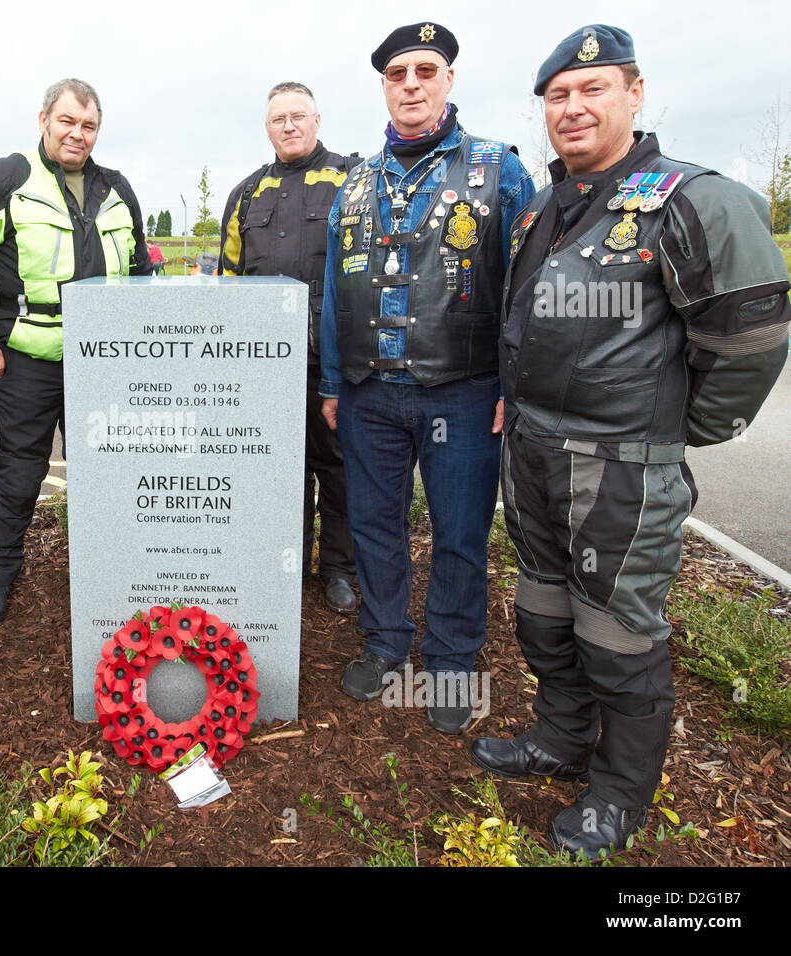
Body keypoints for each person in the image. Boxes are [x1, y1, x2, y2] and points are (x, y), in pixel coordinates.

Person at [470, 24, 789, 857]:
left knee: (617, 635)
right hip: (537, 455)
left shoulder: (693, 199)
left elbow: (750, 339)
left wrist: (675, 430)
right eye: (557, 96)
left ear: (635, 93)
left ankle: (619, 794)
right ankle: (559, 741)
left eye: (592, 89)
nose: (572, 108)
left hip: (621, 473)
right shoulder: (544, 205)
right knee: (543, 614)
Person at [319, 22, 535, 732]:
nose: (410, 84)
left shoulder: (497, 169)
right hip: (366, 393)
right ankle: (385, 639)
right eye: (397, 74)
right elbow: (332, 291)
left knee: (460, 531)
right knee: (375, 524)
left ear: (448, 81)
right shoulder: (353, 182)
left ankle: (449, 659)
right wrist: (331, 384)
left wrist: (513, 385)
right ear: (384, 85)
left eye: (425, 71)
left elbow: (523, 294)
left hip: (465, 392)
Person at [0, 78, 152, 625]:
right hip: (27, 358)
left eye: (88, 126)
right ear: (43, 119)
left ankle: (116, 569)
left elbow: (139, 274)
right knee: (19, 469)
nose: (78, 134)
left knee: (110, 471)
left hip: (105, 363)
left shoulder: (117, 189)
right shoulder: (1, 180)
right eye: (67, 121)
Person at [221, 81, 360, 616]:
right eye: (279, 119)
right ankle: (288, 563)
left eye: (298, 116)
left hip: (333, 364)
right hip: (264, 370)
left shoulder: (352, 180)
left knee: (338, 468)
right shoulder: (247, 194)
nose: (290, 126)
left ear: (317, 120)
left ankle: (339, 570)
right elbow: (229, 283)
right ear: (267, 128)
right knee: (277, 469)